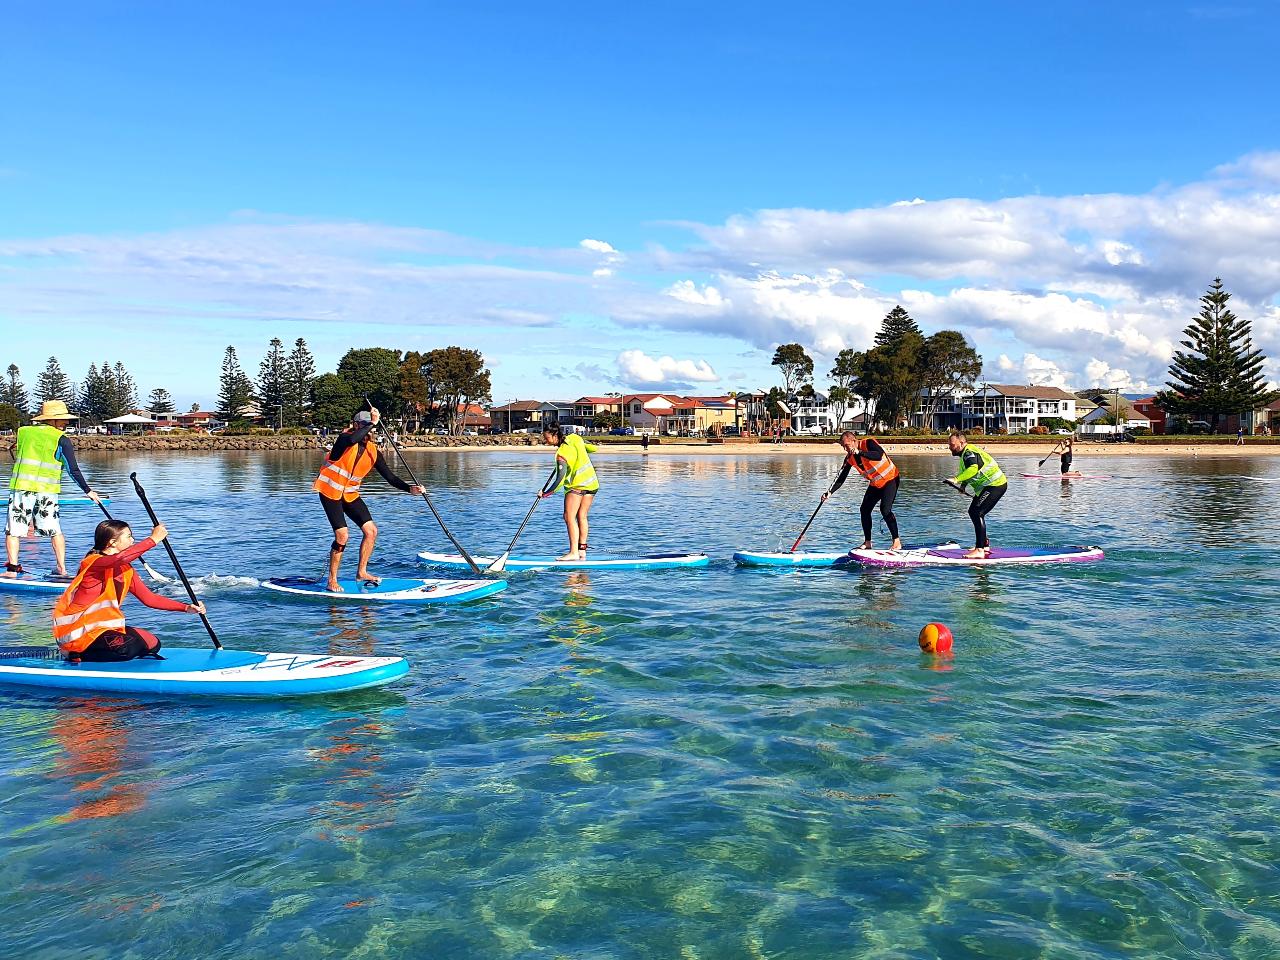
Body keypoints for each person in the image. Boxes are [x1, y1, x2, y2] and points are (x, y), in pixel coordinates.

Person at [51, 519, 205, 662]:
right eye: (129, 536)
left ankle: (106, 651)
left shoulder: (125, 570)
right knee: (129, 648)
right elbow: (121, 558)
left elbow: (149, 599)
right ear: (112, 542)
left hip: (102, 630)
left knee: (153, 644)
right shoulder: (92, 563)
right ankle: (77, 653)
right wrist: (153, 539)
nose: (132, 540)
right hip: (78, 634)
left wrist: (186, 607)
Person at [313, 407, 423, 591]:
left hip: (350, 495)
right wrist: (372, 422)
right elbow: (352, 438)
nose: (368, 430)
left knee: (371, 531)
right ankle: (332, 580)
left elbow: (390, 478)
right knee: (342, 535)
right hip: (330, 492)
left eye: (369, 427)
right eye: (363, 426)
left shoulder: (373, 452)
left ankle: (361, 572)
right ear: (356, 425)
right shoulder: (343, 440)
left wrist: (410, 489)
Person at [5, 399, 103, 579]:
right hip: (46, 491)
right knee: (54, 531)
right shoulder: (61, 439)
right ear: (53, 420)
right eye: (63, 419)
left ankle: (12, 569)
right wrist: (88, 491)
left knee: (14, 530)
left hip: (21, 488)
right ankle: (62, 569)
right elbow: (72, 469)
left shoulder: (23, 432)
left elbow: (16, 451)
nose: (67, 422)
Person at [825, 431, 902, 550]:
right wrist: (829, 492)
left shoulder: (869, 443)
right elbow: (841, 478)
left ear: (854, 441)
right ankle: (867, 542)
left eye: (846, 445)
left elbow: (878, 455)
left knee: (885, 510)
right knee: (864, 510)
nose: (845, 449)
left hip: (891, 479)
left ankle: (896, 542)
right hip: (876, 484)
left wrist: (860, 452)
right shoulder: (849, 458)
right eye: (843, 446)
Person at [540, 424, 599, 561]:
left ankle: (573, 552)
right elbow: (593, 448)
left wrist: (546, 493)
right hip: (592, 483)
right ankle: (582, 550)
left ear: (555, 436)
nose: (546, 441)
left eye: (547, 438)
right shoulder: (575, 438)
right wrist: (579, 450)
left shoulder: (561, 454)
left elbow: (560, 479)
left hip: (577, 485)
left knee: (569, 517)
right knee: (582, 516)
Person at [946, 431, 1008, 559]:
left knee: (977, 512)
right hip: (988, 487)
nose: (950, 447)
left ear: (961, 443)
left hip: (996, 485)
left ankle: (979, 549)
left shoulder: (968, 452)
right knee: (973, 511)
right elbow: (970, 471)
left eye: (952, 444)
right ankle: (984, 545)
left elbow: (973, 469)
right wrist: (963, 486)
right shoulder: (965, 454)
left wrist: (956, 479)